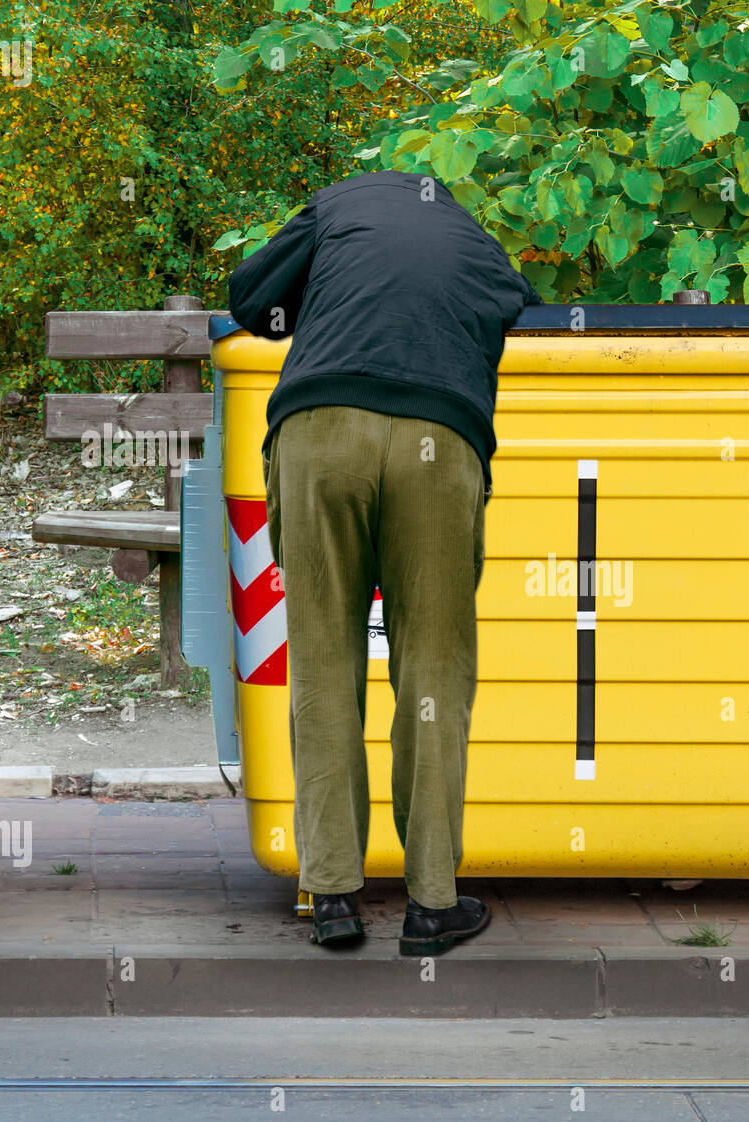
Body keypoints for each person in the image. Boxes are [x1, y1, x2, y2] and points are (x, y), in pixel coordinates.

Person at [227, 170, 541, 953]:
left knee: (325, 663)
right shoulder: (477, 241)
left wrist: (319, 308)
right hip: (441, 439)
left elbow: (249, 299)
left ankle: (332, 894)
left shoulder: (337, 207)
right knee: (433, 670)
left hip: (321, 428)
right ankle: (432, 902)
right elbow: (510, 307)